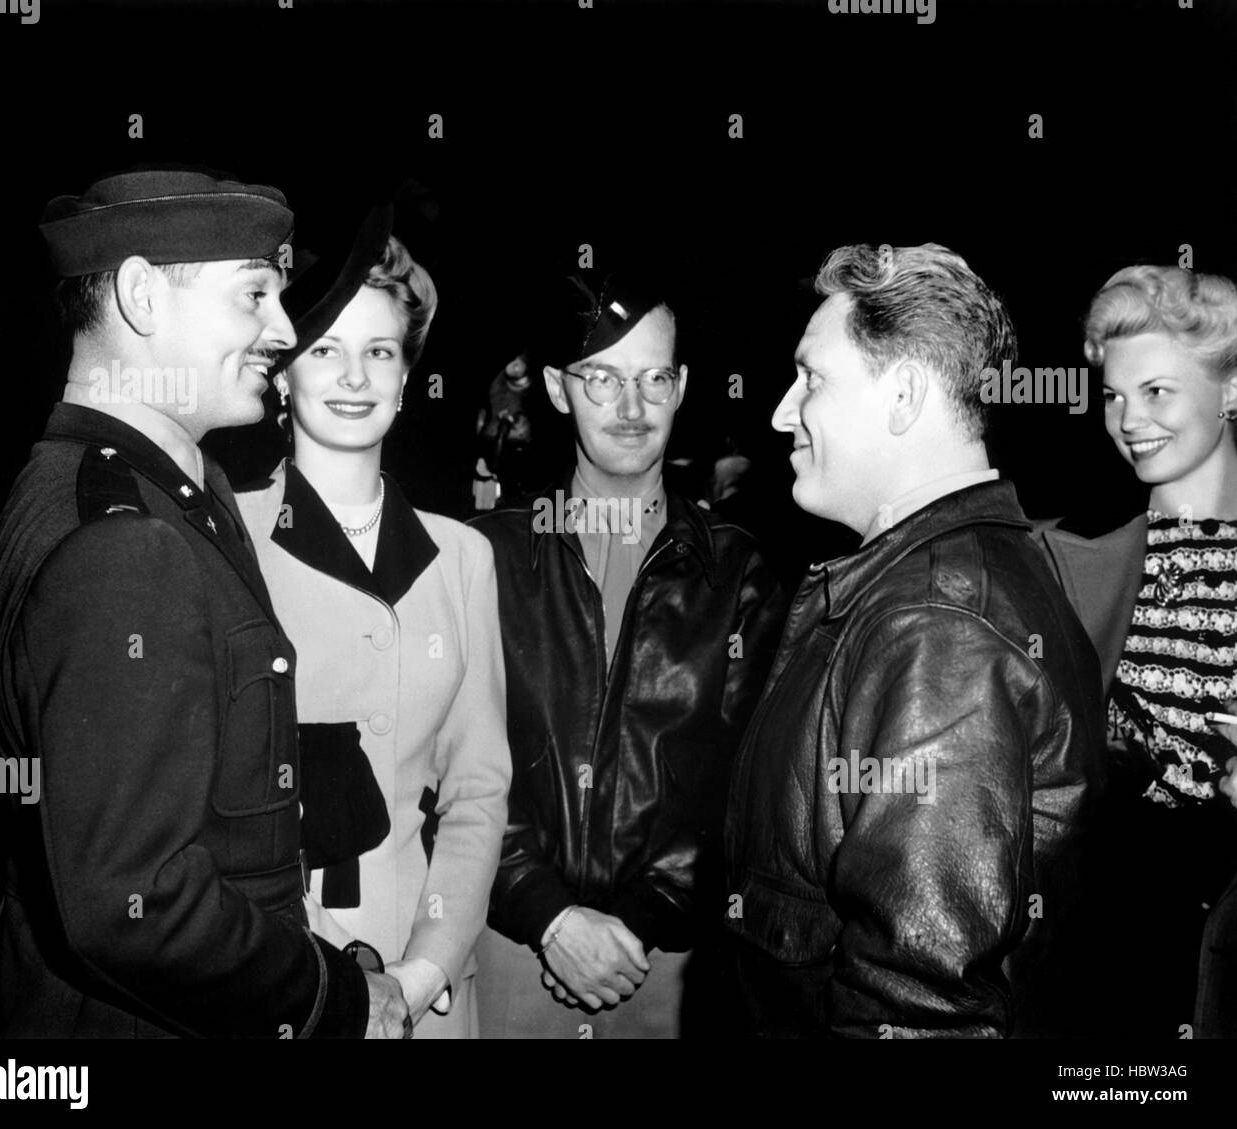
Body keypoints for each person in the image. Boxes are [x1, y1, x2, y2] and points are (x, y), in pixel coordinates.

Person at [0, 168, 406, 1037]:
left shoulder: (118, 483)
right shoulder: (127, 541)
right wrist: (334, 999)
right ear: (140, 295)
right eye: (254, 294)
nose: (282, 332)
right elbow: (136, 906)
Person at [725, 243, 1105, 1038]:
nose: (781, 412)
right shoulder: (944, 586)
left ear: (902, 394)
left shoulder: (940, 626)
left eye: (812, 379)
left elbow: (921, 1008)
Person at [470, 272, 786, 1037]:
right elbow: (457, 761)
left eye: (653, 378)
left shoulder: (740, 574)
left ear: (681, 388)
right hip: (511, 945)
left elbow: (749, 781)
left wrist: (642, 918)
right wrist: (547, 913)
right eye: (603, 378)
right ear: (556, 388)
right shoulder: (486, 555)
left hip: (669, 970)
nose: (632, 407)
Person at [236, 207, 510, 1038]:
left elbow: (477, 792)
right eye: (325, 350)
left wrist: (419, 976)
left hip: (425, 980)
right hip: (276, 972)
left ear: (404, 378)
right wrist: (332, 981)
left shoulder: (462, 556)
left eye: (380, 352)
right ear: (282, 373)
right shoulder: (225, 537)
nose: (354, 377)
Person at [1033, 264, 1237, 1037]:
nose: (1127, 419)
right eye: (1114, 395)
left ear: (1231, 390)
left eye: (1157, 391)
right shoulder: (1071, 558)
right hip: (1109, 957)